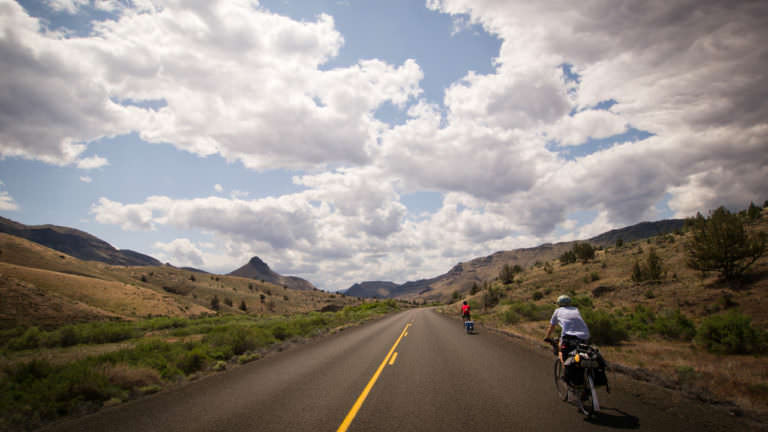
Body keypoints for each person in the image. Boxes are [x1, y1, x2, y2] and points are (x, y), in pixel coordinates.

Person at [544, 295, 590, 384]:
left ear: (559, 304)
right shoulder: (575, 309)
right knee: (581, 354)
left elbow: (551, 327)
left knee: (561, 352)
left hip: (569, 336)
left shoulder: (557, 311)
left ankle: (567, 375)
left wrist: (547, 337)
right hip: (585, 335)